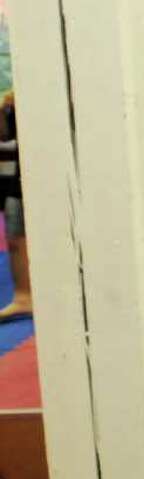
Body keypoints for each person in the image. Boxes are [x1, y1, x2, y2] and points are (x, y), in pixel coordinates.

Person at [0, 91, 31, 323]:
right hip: (21, 172)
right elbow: (5, 136)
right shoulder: (15, 98)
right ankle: (23, 297)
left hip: (45, 170)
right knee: (14, 234)